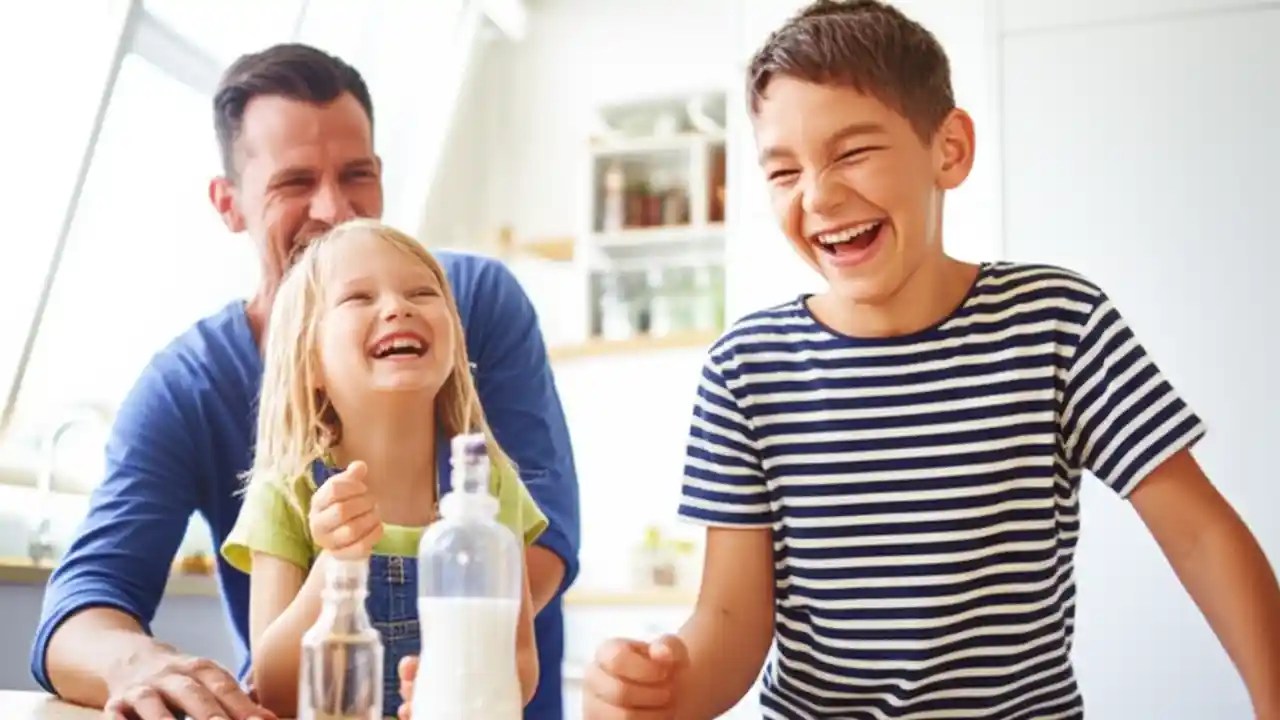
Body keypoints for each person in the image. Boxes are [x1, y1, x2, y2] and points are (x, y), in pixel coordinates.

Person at [582, 2, 1280, 719]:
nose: (819, 195)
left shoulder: (1056, 324)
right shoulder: (746, 369)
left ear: (949, 150)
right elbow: (730, 623)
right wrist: (662, 692)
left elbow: (1200, 534)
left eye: (852, 153)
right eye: (784, 170)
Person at [31, 44, 580, 720]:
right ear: (228, 203)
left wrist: (458, 679)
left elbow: (547, 541)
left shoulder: (473, 304)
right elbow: (87, 596)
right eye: (294, 183)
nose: (335, 209)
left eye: (358, 174)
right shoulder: (190, 389)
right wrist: (153, 670)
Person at [224, 218, 545, 718]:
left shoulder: (492, 485)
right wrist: (335, 563)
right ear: (310, 363)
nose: (398, 306)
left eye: (421, 291)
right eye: (358, 298)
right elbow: (276, 688)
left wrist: (465, 694)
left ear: (456, 341)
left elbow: (521, 661)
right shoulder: (285, 495)